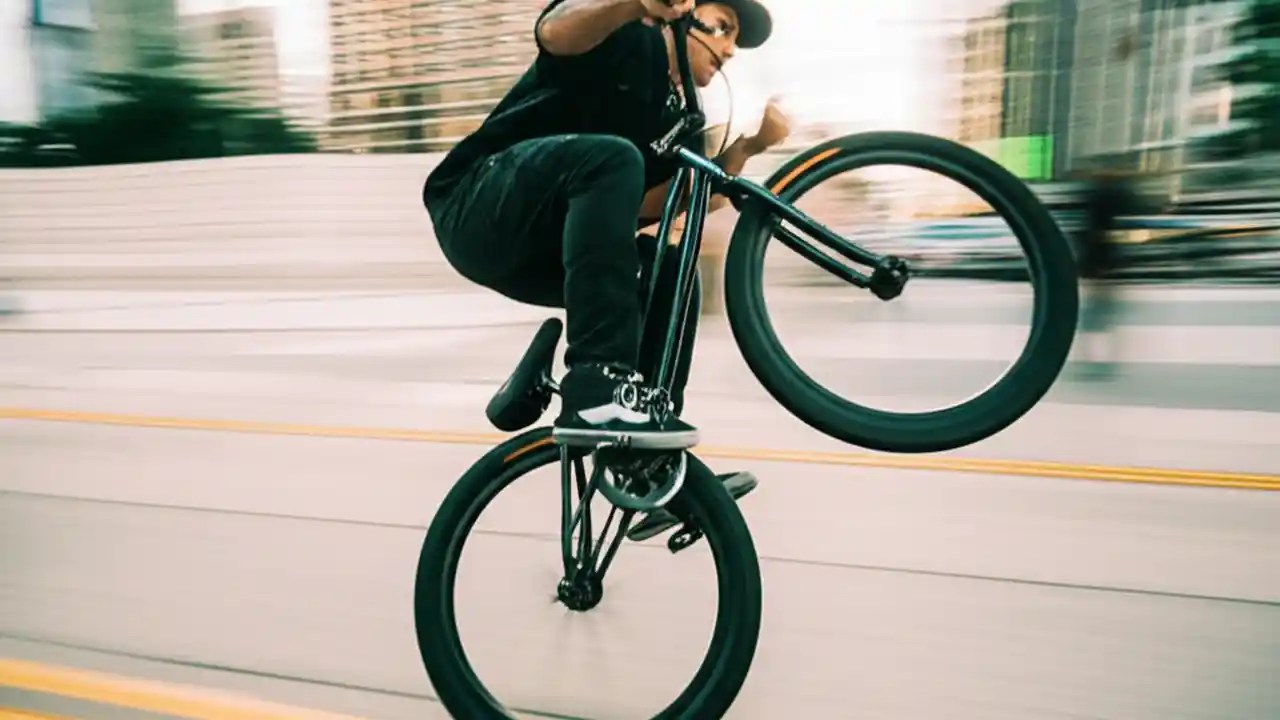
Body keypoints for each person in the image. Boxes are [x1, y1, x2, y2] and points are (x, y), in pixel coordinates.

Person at [423, 0, 788, 538]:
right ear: (680, 15)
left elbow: (655, 205)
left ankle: (644, 451)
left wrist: (750, 148)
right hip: (476, 205)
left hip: (542, 252)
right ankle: (595, 386)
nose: (731, 50)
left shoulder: (679, 120)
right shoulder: (624, 36)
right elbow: (553, 32)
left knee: (667, 263)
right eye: (724, 28)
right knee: (614, 158)